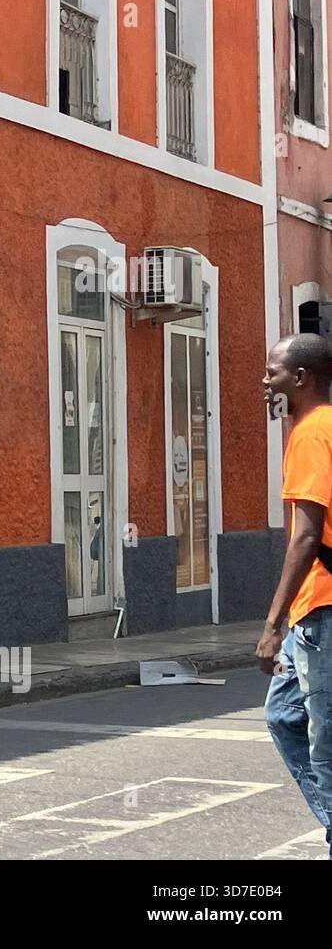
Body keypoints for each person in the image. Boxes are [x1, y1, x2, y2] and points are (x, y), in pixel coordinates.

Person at [258, 333, 332, 858]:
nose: (265, 384)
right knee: (285, 715)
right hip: (316, 609)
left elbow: (306, 534)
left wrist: (272, 622)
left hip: (321, 610)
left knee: (326, 745)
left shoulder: (310, 432)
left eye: (273, 374)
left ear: (300, 379)